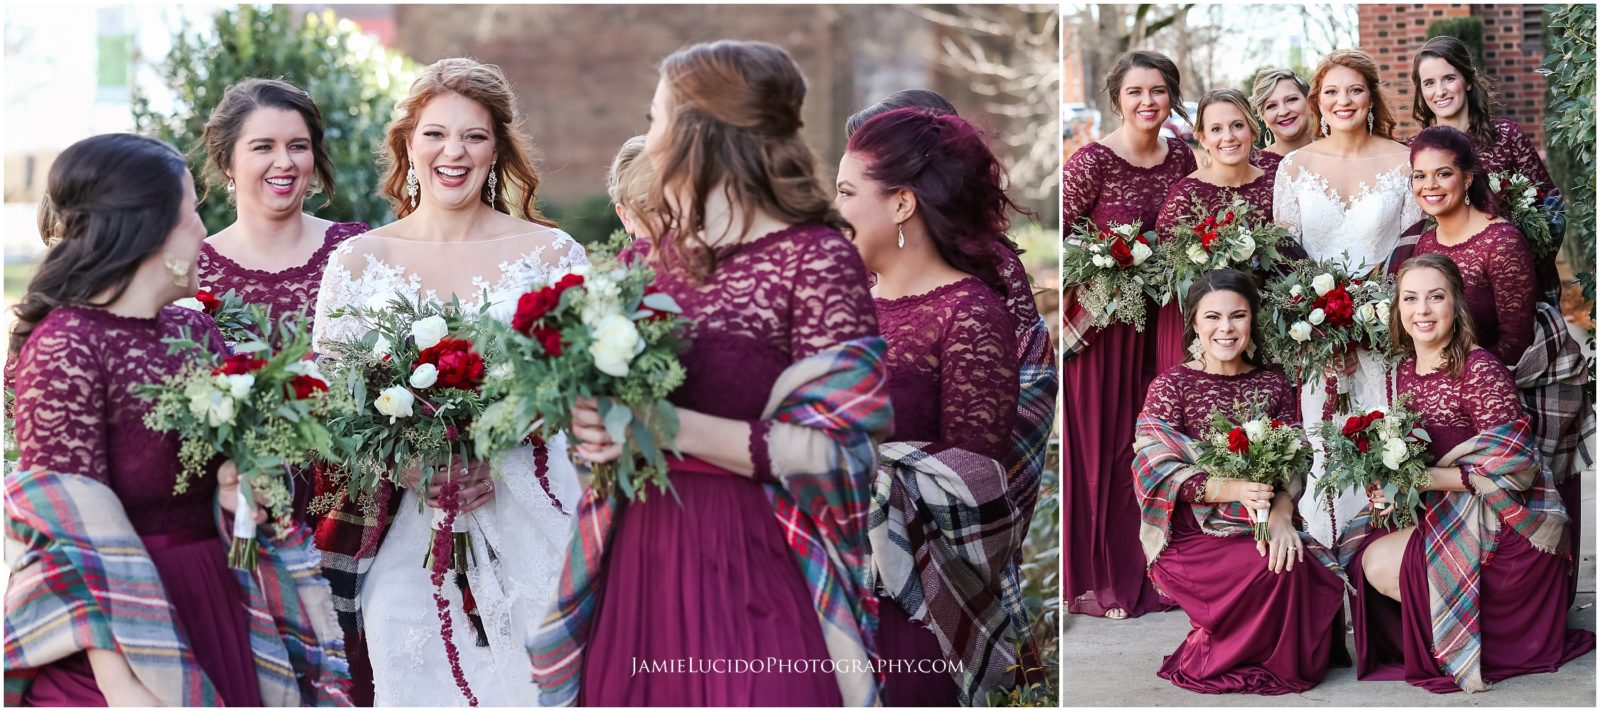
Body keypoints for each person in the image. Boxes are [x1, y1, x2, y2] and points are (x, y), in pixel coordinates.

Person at [531, 40, 890, 707]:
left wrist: (662, 423)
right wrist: (599, 428)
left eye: (660, 118)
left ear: (702, 133)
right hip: (641, 555)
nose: (651, 137)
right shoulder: (653, 259)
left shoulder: (815, 260)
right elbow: (618, 416)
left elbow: (840, 454)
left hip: (756, 552)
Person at [6, 132, 346, 706]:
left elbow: (215, 487)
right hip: (115, 637)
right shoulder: (65, 347)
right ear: (151, 230)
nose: (202, 231)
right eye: (191, 212)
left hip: (215, 601)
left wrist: (239, 493)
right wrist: (128, 692)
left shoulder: (196, 334)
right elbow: (71, 540)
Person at [310, 57, 583, 706]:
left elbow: (581, 394)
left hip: (531, 518)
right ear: (408, 143)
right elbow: (331, 405)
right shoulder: (359, 261)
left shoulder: (551, 256)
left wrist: (504, 448)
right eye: (435, 133)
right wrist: (406, 465)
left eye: (474, 136)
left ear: (498, 151)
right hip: (407, 528)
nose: (452, 152)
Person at [838, 107, 1025, 704]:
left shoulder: (968, 314)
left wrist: (863, 467)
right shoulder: (842, 296)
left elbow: (972, 485)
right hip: (814, 579)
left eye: (846, 192)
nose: (831, 211)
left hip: (906, 600)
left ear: (901, 204)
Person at [1342, 253, 1594, 693]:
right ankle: (1443, 626)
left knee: (1382, 562)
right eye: (1411, 298)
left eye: (1435, 297)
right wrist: (1388, 485)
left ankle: (1471, 637)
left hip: (1504, 518)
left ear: (1455, 304)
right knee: (1354, 547)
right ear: (1397, 308)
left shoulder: (1478, 370)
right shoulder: (1404, 370)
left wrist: (1421, 481)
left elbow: (1517, 466)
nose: (1422, 310)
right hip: (1442, 505)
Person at [1394, 124, 1590, 607]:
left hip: (1510, 383)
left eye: (1443, 174)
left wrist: (1468, 386)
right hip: (1457, 386)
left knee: (1518, 488)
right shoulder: (1424, 246)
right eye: (1420, 177)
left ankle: (1536, 597)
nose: (1430, 186)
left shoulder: (1500, 241)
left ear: (1468, 178)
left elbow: (1514, 338)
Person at [1134, 269, 1346, 694]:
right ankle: (1213, 654)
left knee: (1300, 564)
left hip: (1265, 517)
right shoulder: (1171, 386)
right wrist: (1231, 490)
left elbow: (1296, 458)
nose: (1225, 328)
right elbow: (1153, 467)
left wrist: (1283, 514)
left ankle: (1278, 658)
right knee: (1271, 568)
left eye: (1238, 316)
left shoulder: (1272, 382)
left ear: (1253, 320)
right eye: (1212, 317)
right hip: (1192, 533)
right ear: (1194, 322)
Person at [1062, 49, 1196, 620]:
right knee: (1105, 449)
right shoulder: (1090, 162)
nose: (1148, 102)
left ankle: (1160, 570)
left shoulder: (1184, 158)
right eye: (1137, 91)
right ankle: (1106, 579)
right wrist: (1104, 267)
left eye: (1159, 90)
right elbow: (1060, 246)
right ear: (1116, 98)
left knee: (1155, 446)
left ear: (1172, 97)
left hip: (1161, 328)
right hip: (1101, 332)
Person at [1273, 49, 1421, 547]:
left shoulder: (1404, 162)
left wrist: (1377, 316)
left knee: (1389, 440)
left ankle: (1386, 567)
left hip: (1387, 336)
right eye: (1332, 92)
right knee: (1324, 448)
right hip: (1318, 342)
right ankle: (1329, 571)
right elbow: (1285, 261)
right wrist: (1318, 328)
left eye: (1355, 90)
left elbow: (1414, 252)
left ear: (1371, 96)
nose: (1344, 101)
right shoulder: (1293, 168)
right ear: (1318, 101)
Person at [1409, 35, 1563, 303]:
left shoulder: (1506, 136)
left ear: (1467, 80)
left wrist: (1512, 247)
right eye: (1429, 83)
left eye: (1449, 78)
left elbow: (1551, 209)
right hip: (1445, 290)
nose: (1440, 91)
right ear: (1421, 91)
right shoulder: (1414, 151)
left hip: (1513, 280)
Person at [1155, 88, 1280, 373]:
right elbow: (1171, 273)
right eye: (1216, 129)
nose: (1229, 137)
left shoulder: (1276, 182)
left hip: (1271, 323)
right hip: (1208, 331)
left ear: (1252, 128)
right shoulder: (1186, 196)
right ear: (1202, 138)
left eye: (1237, 125)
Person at [1248, 68, 1314, 176]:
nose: (1283, 112)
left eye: (1291, 100)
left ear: (1310, 103)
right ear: (1263, 117)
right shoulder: (1250, 167)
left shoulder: (1336, 155)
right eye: (1271, 106)